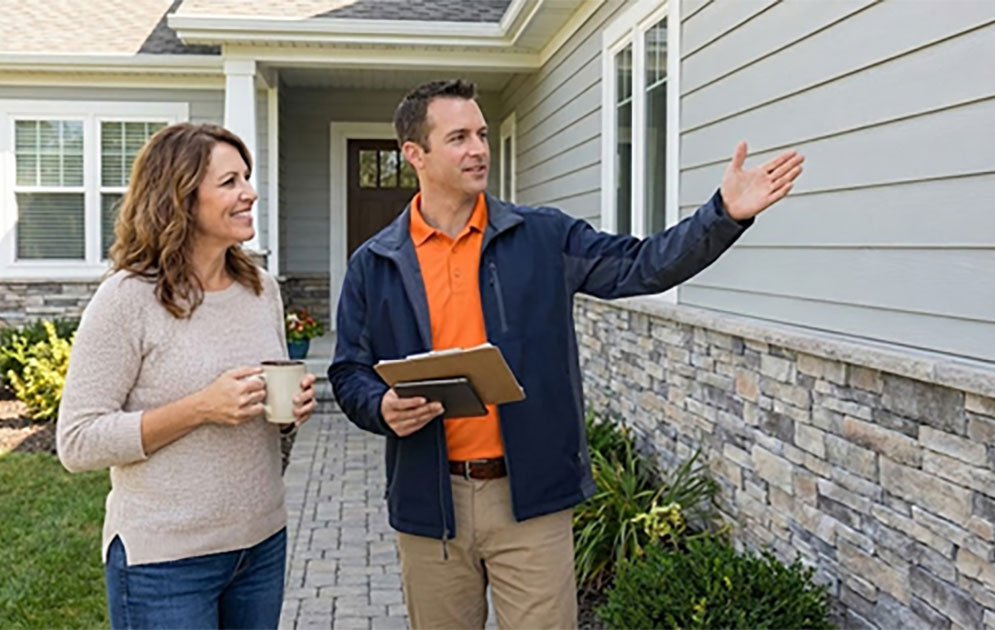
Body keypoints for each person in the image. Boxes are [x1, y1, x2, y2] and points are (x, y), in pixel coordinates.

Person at [329, 79, 804, 629]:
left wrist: (723, 214)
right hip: (429, 502)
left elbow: (642, 265)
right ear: (416, 154)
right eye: (458, 137)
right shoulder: (375, 262)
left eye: (481, 134)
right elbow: (349, 372)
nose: (479, 148)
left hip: (531, 499)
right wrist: (381, 406)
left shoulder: (543, 236)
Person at [56, 122, 317, 630]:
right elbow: (77, 441)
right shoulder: (128, 299)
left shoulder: (260, 288)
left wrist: (289, 415)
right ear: (179, 198)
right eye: (230, 182)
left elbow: (268, 421)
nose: (251, 192)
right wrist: (201, 408)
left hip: (261, 546)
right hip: (166, 563)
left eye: (247, 177)